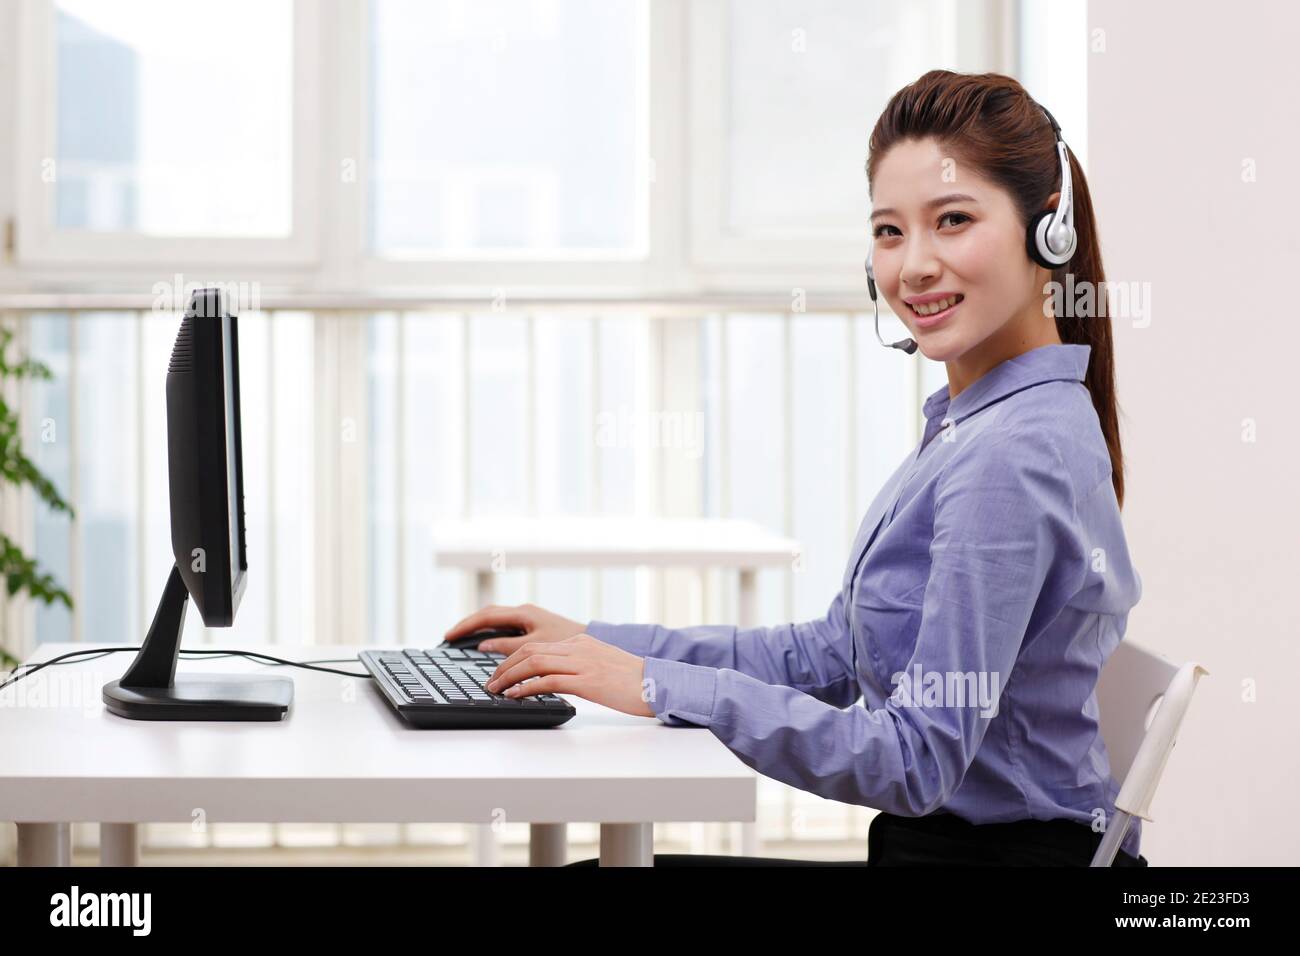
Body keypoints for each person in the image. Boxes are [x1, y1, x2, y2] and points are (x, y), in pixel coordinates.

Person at [446, 69, 1149, 867]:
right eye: (889, 231)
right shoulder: (983, 423)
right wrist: (600, 648)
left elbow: (915, 760)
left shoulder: (1010, 457)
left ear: (1047, 231)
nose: (913, 265)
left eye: (952, 220)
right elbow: (832, 656)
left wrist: (652, 685)